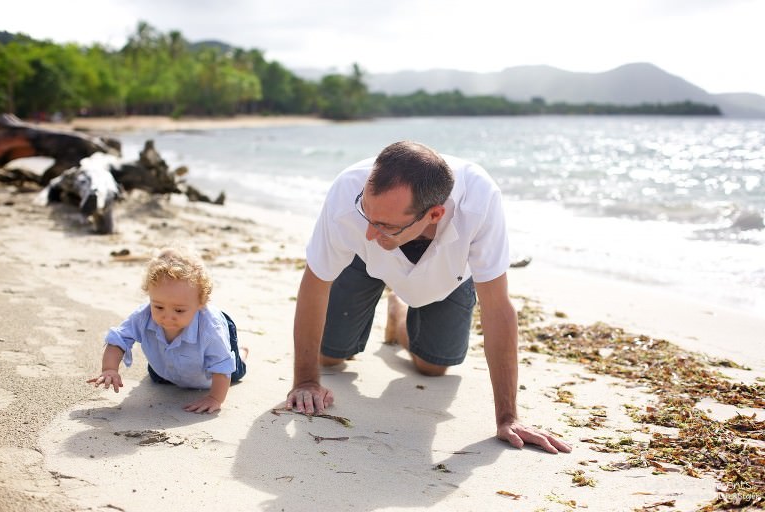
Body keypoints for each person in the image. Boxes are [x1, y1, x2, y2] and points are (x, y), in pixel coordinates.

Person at [285, 141, 571, 454]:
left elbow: (498, 308)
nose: (369, 230)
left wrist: (508, 417)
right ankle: (386, 283)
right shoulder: (348, 193)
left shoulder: (479, 200)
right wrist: (305, 381)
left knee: (433, 367)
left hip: (448, 272)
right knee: (330, 357)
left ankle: (398, 314)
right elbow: (315, 282)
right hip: (363, 261)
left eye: (384, 224)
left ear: (434, 214)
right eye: (366, 214)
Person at [87, 247, 248, 413]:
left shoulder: (211, 328)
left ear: (201, 303)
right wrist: (109, 369)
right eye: (159, 306)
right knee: (157, 377)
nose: (167, 317)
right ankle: (167, 369)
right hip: (165, 367)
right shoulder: (144, 314)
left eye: (178, 310)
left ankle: (241, 354)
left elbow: (222, 365)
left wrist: (215, 398)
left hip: (209, 374)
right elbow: (118, 340)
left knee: (234, 370)